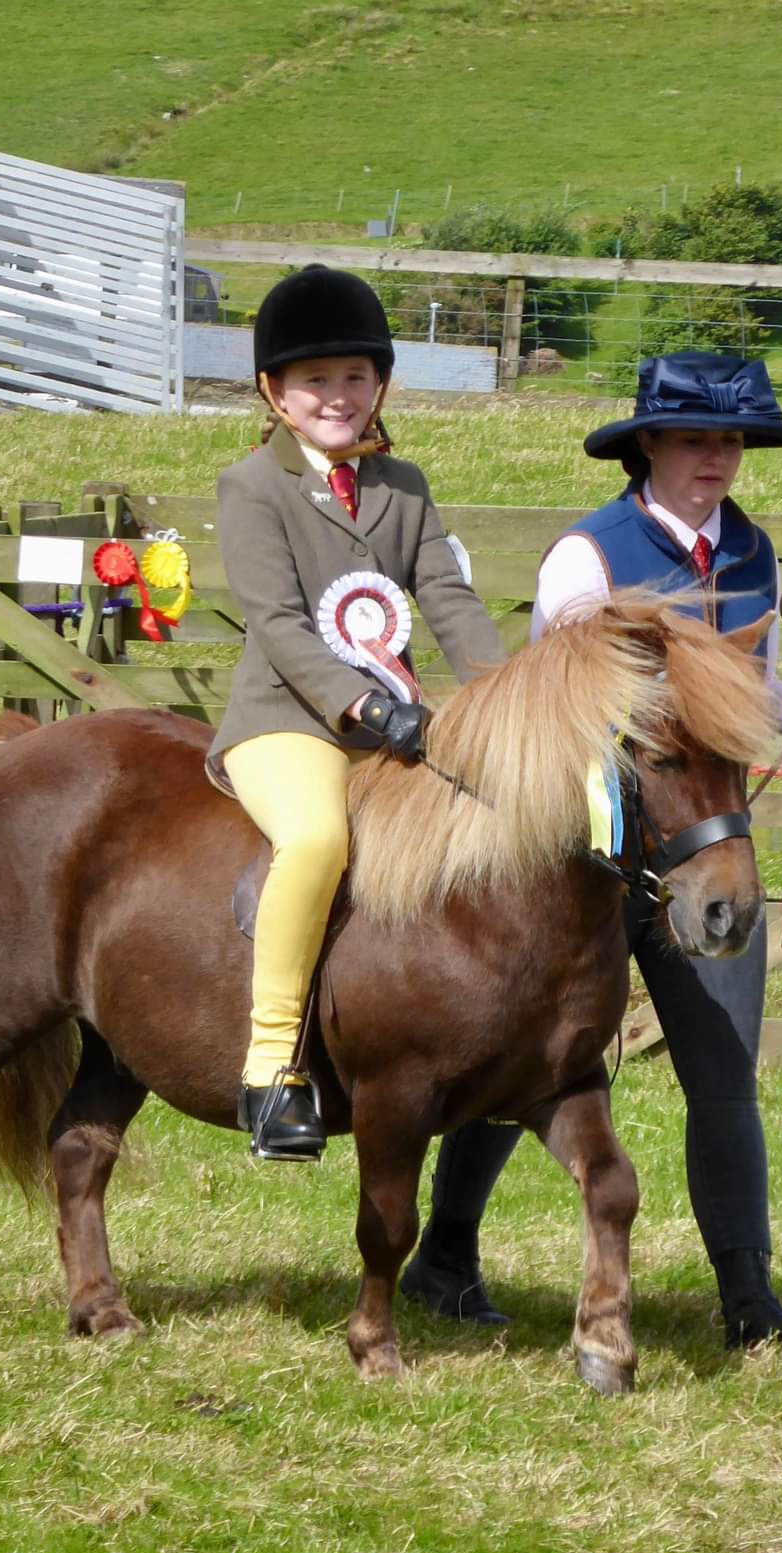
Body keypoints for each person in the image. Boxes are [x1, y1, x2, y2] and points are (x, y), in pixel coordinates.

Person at [398, 352, 782, 1349]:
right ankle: (443, 1253)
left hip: (700, 851)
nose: (716, 458)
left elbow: (733, 716)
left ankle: (749, 1301)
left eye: (730, 440)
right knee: (521, 1065)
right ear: (646, 444)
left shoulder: (753, 553)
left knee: (723, 1076)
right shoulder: (584, 559)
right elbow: (557, 719)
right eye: (695, 437)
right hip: (589, 863)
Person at [211, 264, 507, 1161]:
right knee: (317, 841)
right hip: (286, 721)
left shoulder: (404, 485)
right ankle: (270, 1069)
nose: (336, 397)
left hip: (397, 719)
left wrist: (506, 699)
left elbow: (447, 599)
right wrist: (369, 707)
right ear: (274, 391)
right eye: (314, 380)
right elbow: (281, 626)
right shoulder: (251, 488)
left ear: (381, 383)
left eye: (353, 377)